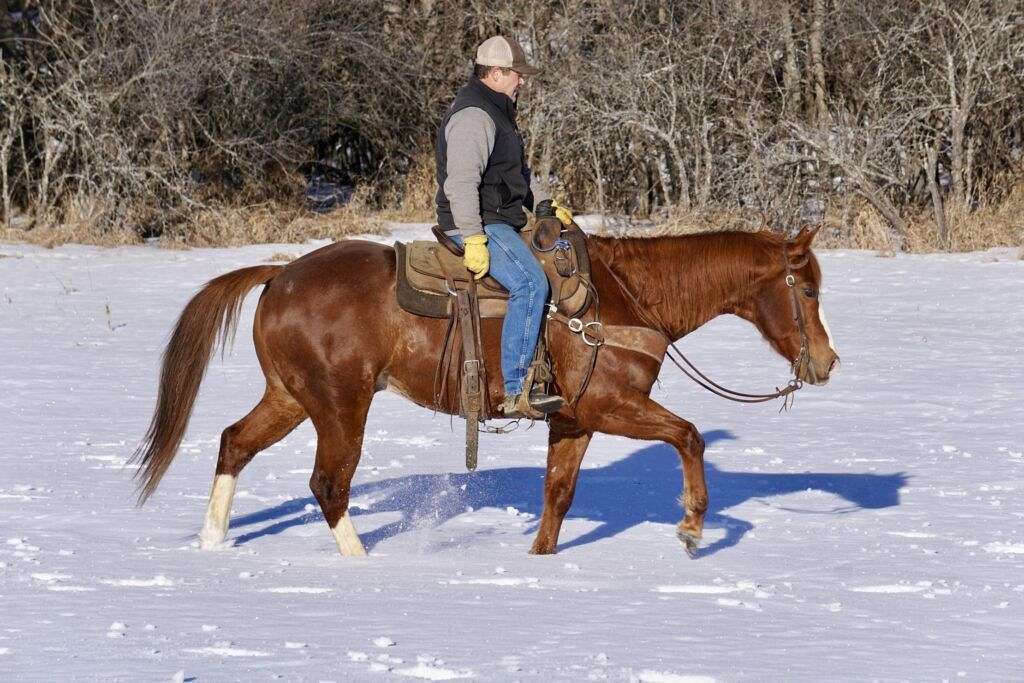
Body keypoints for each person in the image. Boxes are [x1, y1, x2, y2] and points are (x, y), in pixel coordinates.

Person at [435, 35, 565, 419]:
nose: (522, 82)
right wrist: (473, 238)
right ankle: (518, 388)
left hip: (497, 219)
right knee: (530, 282)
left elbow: (514, 176)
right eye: (516, 75)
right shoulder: (475, 116)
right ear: (495, 73)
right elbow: (460, 184)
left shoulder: (498, 112)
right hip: (478, 224)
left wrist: (544, 205)